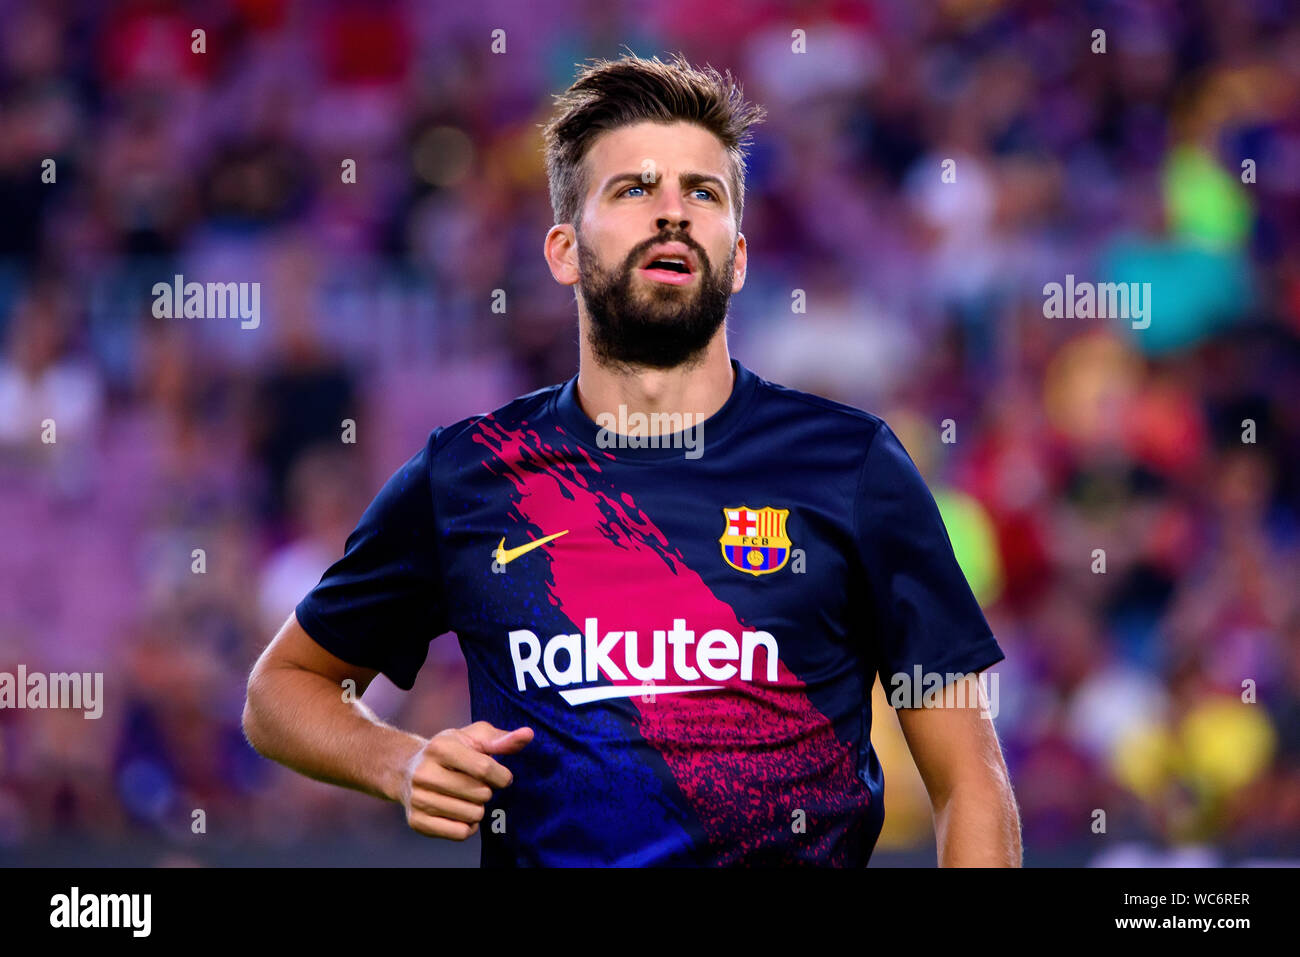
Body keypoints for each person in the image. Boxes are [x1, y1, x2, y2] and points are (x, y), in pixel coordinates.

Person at [242, 52, 1021, 867]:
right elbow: (279, 689)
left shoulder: (854, 465)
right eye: (634, 189)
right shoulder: (469, 475)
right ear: (563, 251)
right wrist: (398, 762)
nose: (674, 213)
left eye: (703, 192)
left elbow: (970, 778)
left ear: (740, 256)